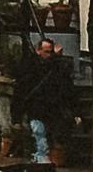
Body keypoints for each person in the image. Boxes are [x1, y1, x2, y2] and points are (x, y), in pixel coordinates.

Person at [14, 36, 73, 165]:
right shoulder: (29, 67)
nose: (49, 55)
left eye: (51, 52)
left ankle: (45, 158)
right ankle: (42, 159)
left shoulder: (57, 67)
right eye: (47, 52)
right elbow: (20, 91)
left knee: (51, 134)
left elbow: (67, 88)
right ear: (38, 51)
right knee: (38, 133)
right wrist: (16, 118)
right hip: (36, 108)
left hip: (52, 107)